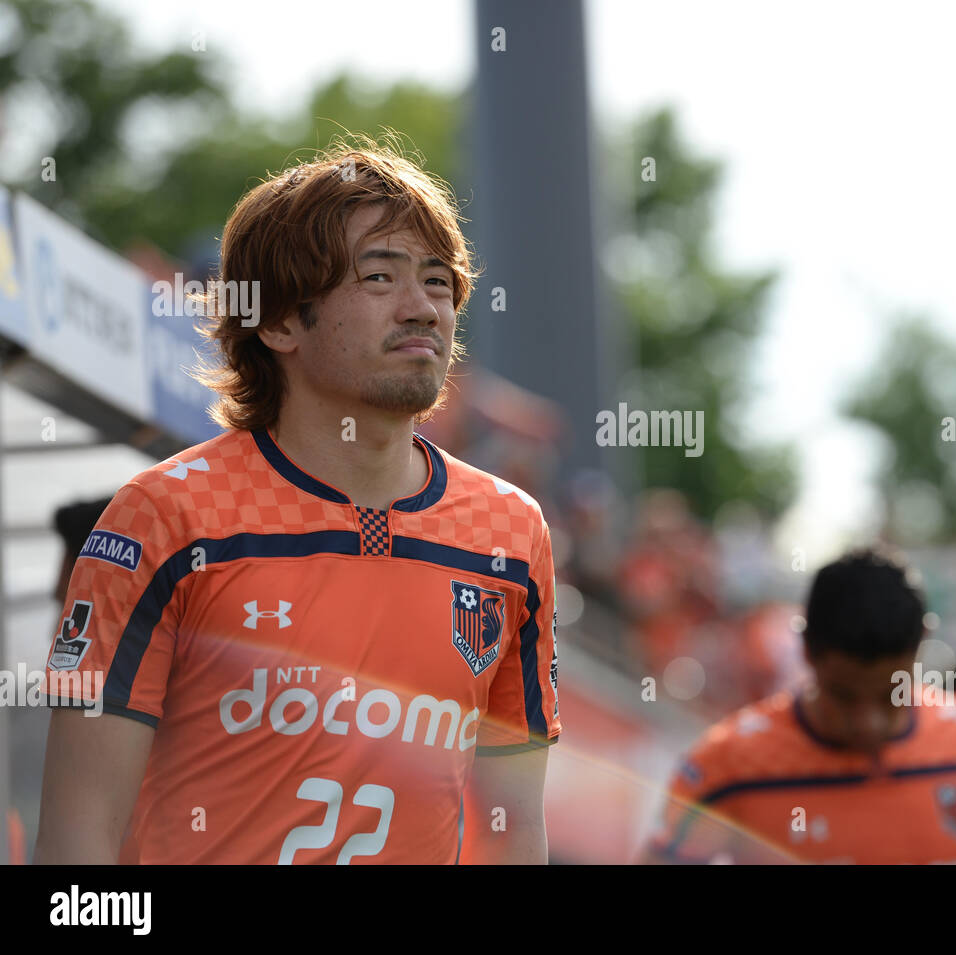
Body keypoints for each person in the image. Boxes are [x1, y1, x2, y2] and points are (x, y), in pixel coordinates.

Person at [34, 139, 561, 864]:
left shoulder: (512, 529)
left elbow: (516, 833)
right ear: (279, 321)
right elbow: (74, 848)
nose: (424, 308)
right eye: (380, 277)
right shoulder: (163, 516)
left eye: (440, 283)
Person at [642, 547, 956, 864]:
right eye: (842, 696)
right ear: (805, 650)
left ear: (921, 644)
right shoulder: (727, 763)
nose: (867, 722)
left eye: (890, 695)